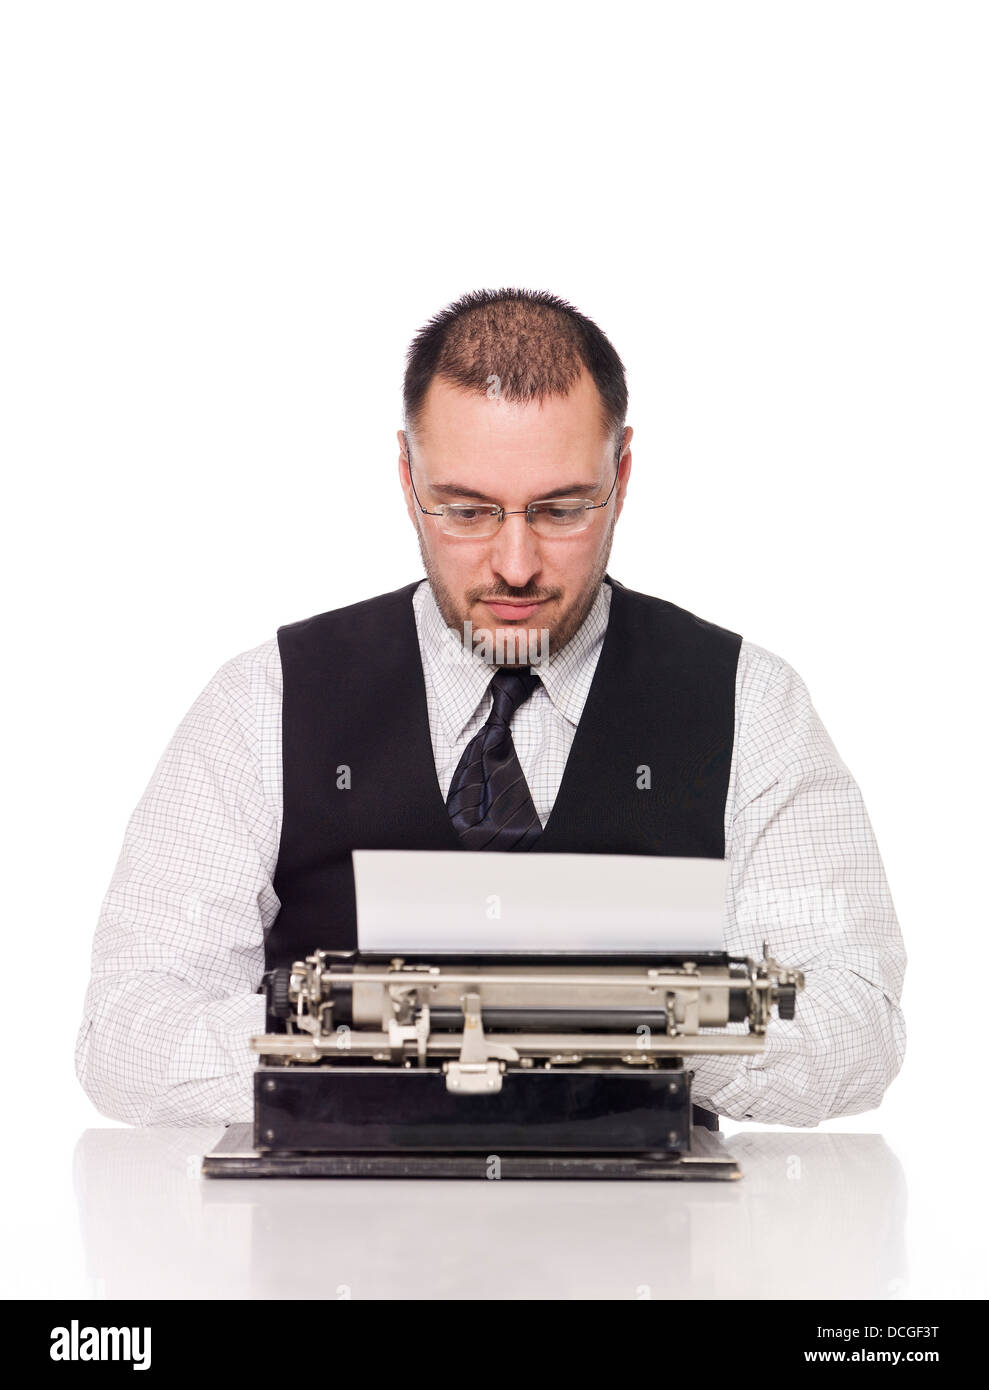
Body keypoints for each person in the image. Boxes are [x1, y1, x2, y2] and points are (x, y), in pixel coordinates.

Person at [75, 288, 907, 1129]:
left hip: (643, 1249)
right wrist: (396, 1034)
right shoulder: (265, 698)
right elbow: (125, 1032)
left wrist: (606, 1020)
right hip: (325, 1245)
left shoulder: (748, 701)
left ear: (621, 475)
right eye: (467, 510)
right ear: (407, 479)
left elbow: (857, 1024)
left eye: (560, 509)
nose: (514, 563)